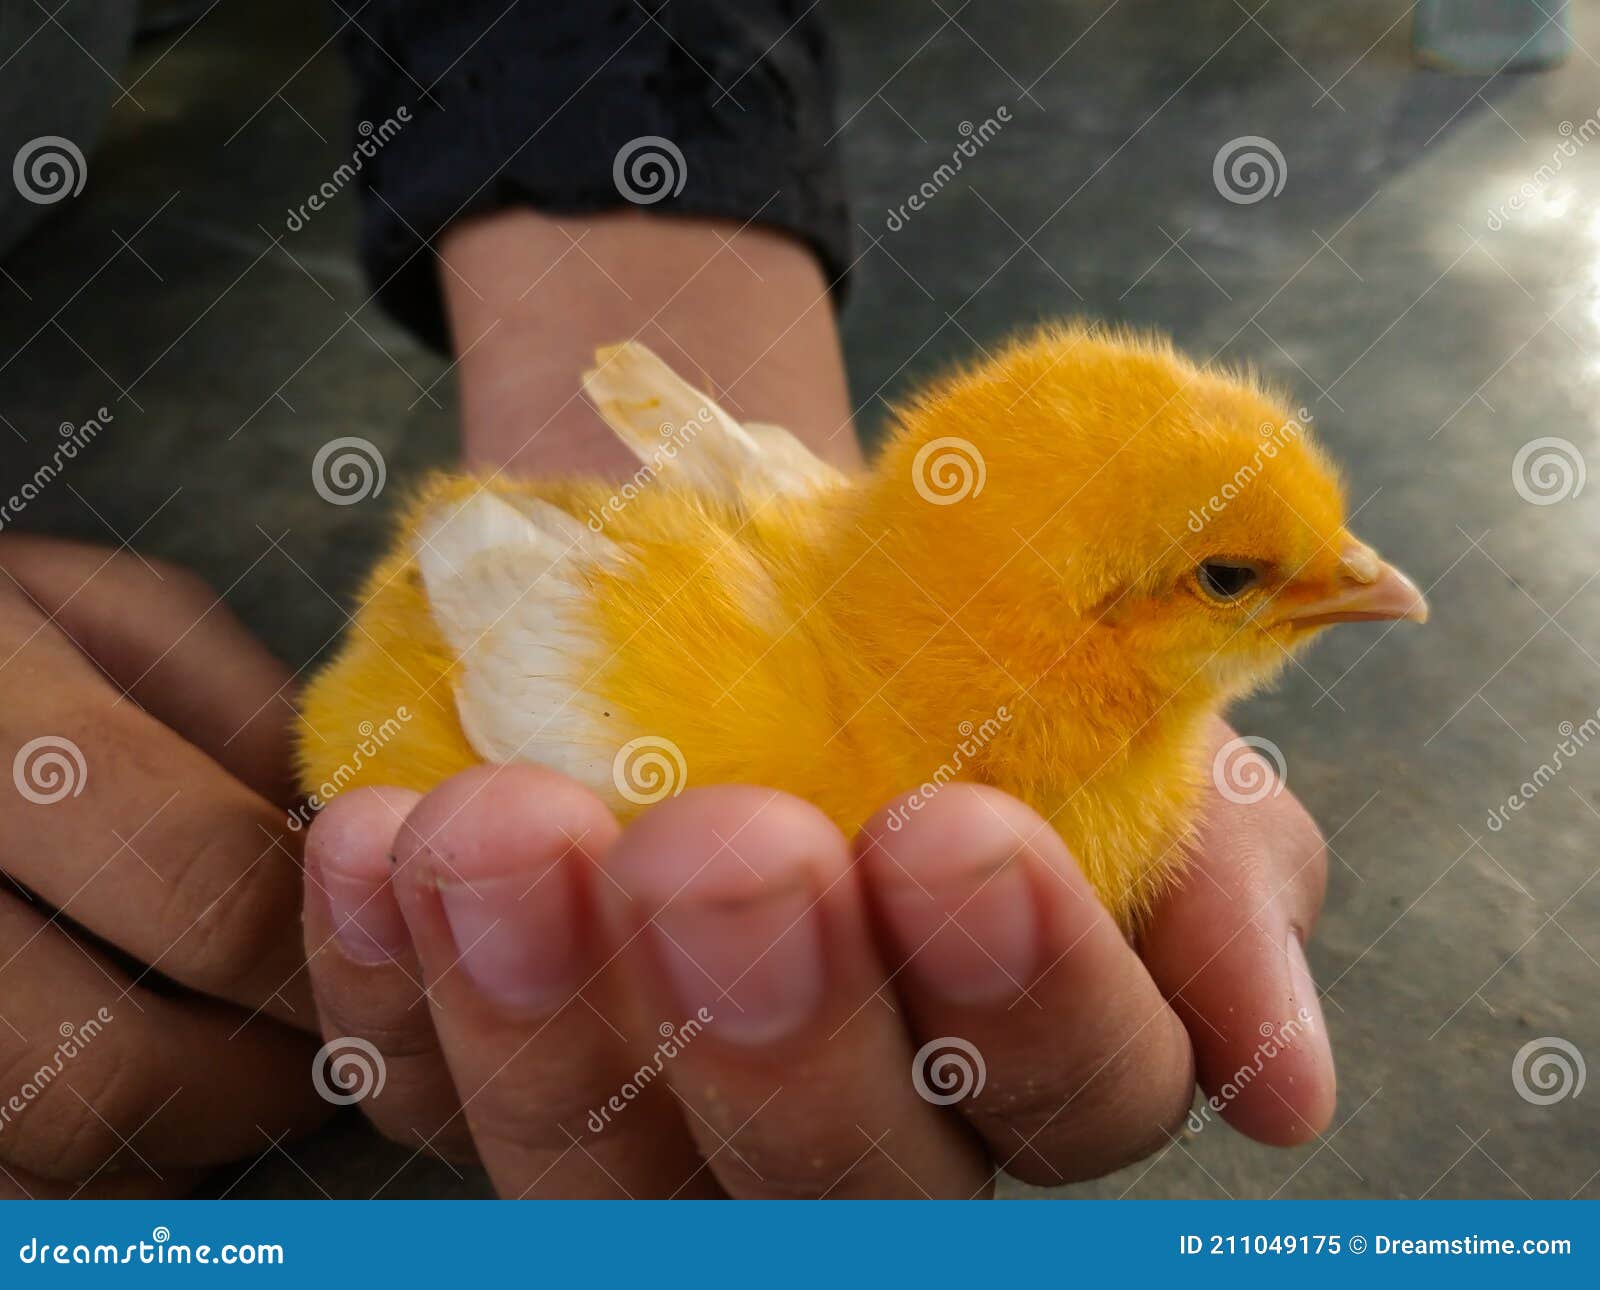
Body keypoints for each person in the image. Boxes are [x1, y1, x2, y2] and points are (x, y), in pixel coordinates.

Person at [0, 2, 1333, 1199]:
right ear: (1091, 619)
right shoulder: (763, 731)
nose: (1366, 585)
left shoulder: (1019, 735)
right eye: (1228, 579)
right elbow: (480, 572)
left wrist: (638, 202)